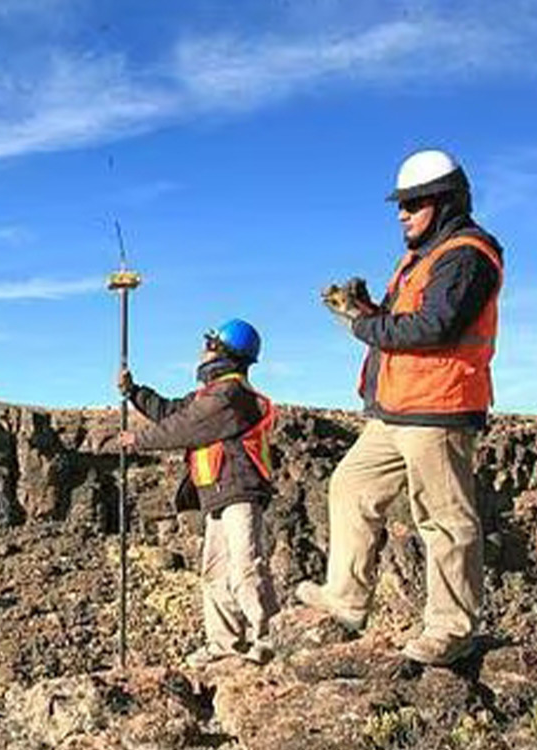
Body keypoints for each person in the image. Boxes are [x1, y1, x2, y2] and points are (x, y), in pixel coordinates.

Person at [300, 148, 505, 666]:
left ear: (447, 201)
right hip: (396, 410)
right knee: (351, 485)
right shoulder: (423, 259)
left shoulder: (467, 254)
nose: (402, 214)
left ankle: (452, 628)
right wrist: (366, 309)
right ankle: (345, 599)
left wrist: (361, 323)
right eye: (401, 205)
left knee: (444, 519)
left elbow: (435, 327)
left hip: (439, 407)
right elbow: (403, 324)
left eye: (414, 203)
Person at [118, 319, 278, 667]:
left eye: (209, 344)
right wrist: (135, 393)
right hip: (219, 493)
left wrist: (137, 440)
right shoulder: (212, 393)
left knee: (246, 566)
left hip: (239, 490)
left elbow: (185, 426)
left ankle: (269, 640)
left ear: (223, 351)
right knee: (216, 572)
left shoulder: (229, 395)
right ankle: (224, 645)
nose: (202, 350)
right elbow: (171, 411)